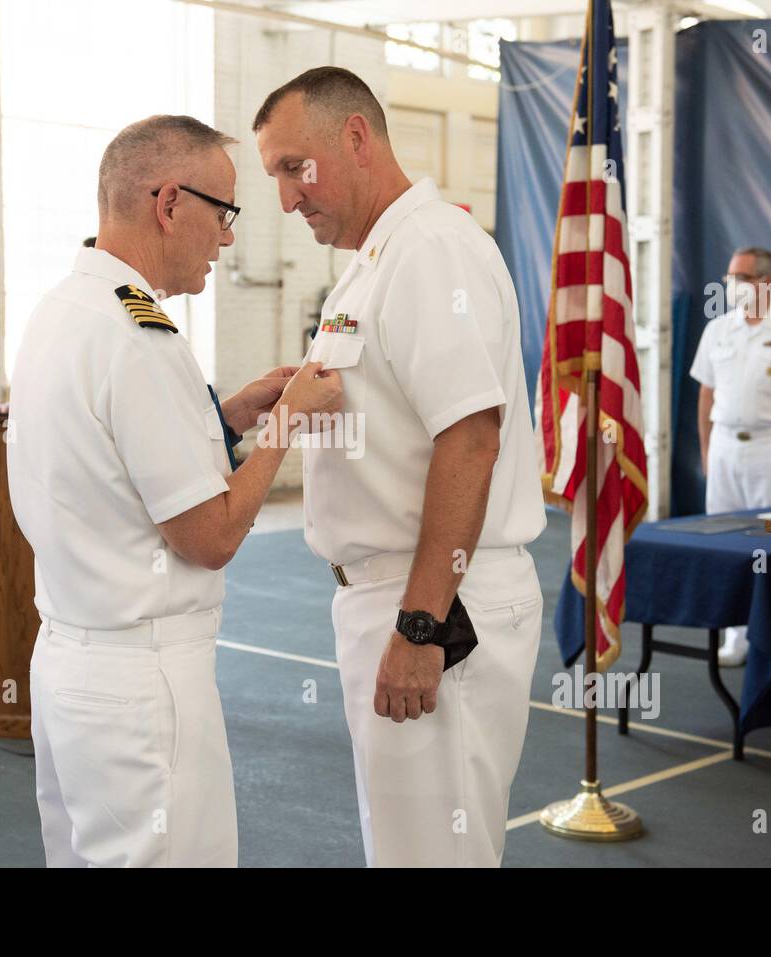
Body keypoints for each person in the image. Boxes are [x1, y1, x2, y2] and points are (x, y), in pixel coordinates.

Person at [7, 114, 342, 867]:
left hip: (69, 664)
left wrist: (227, 418)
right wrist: (283, 426)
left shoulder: (62, 311)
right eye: (223, 212)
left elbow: (112, 465)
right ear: (168, 204)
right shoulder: (140, 336)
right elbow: (209, 536)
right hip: (140, 682)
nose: (227, 238)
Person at [254, 67, 547, 867]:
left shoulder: (431, 251)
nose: (285, 198)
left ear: (355, 137)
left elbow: (471, 437)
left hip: (438, 602)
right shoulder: (376, 260)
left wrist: (423, 624)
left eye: (293, 168)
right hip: (395, 593)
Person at [690, 246, 771, 666]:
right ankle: (735, 636)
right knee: (725, 540)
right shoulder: (718, 329)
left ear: (767, 282)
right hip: (726, 446)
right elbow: (705, 394)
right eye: (730, 277)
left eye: (741, 277)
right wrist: (707, 451)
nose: (732, 286)